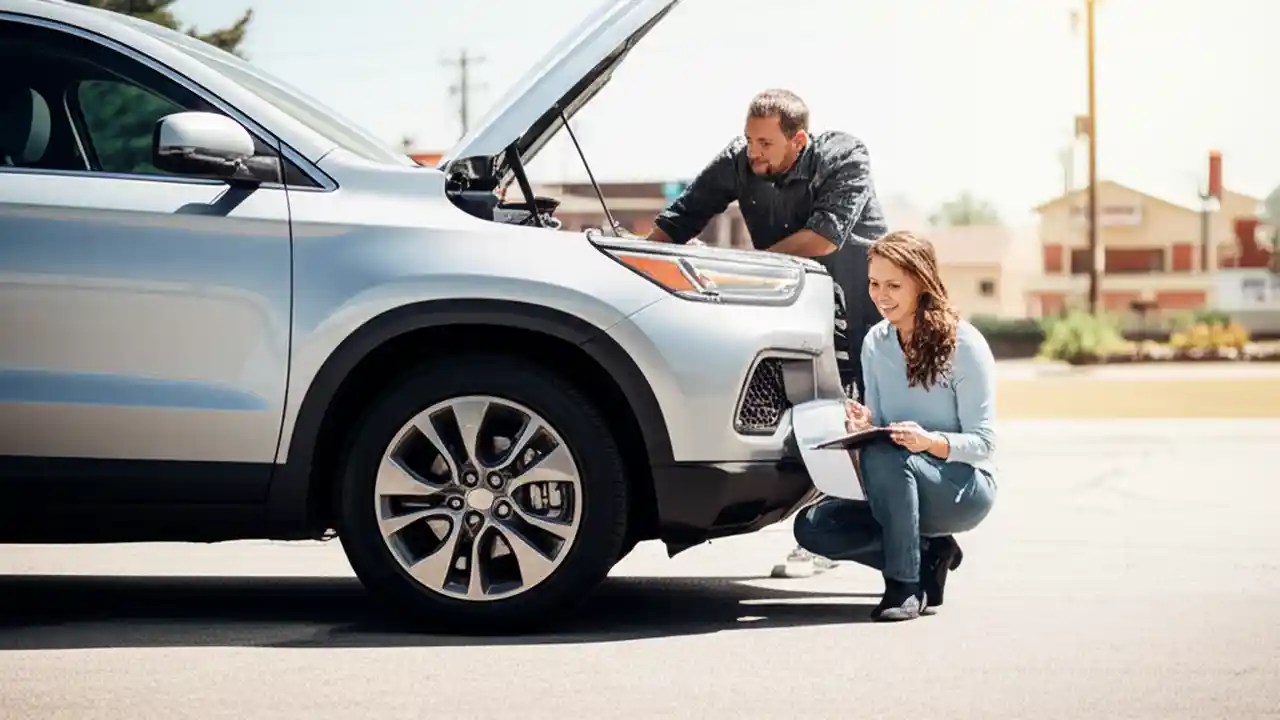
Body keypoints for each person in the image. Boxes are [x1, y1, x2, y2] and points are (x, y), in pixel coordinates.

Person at [645, 89, 887, 577]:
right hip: (796, 309)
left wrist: (754, 263)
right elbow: (683, 216)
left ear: (798, 140)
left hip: (868, 309)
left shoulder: (845, 156)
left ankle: (881, 537)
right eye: (749, 139)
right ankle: (832, 533)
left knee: (866, 419)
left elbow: (824, 237)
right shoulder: (740, 162)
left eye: (765, 143)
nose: (753, 151)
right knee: (812, 420)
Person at [792, 229, 998, 622]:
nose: (881, 295)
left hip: (961, 489)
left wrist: (928, 441)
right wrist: (865, 422)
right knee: (815, 528)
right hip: (898, 480)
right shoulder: (875, 342)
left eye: (893, 285)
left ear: (921, 283)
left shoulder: (965, 344)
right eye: (873, 284)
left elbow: (984, 443)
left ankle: (904, 586)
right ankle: (931, 553)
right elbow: (884, 428)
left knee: (889, 457)